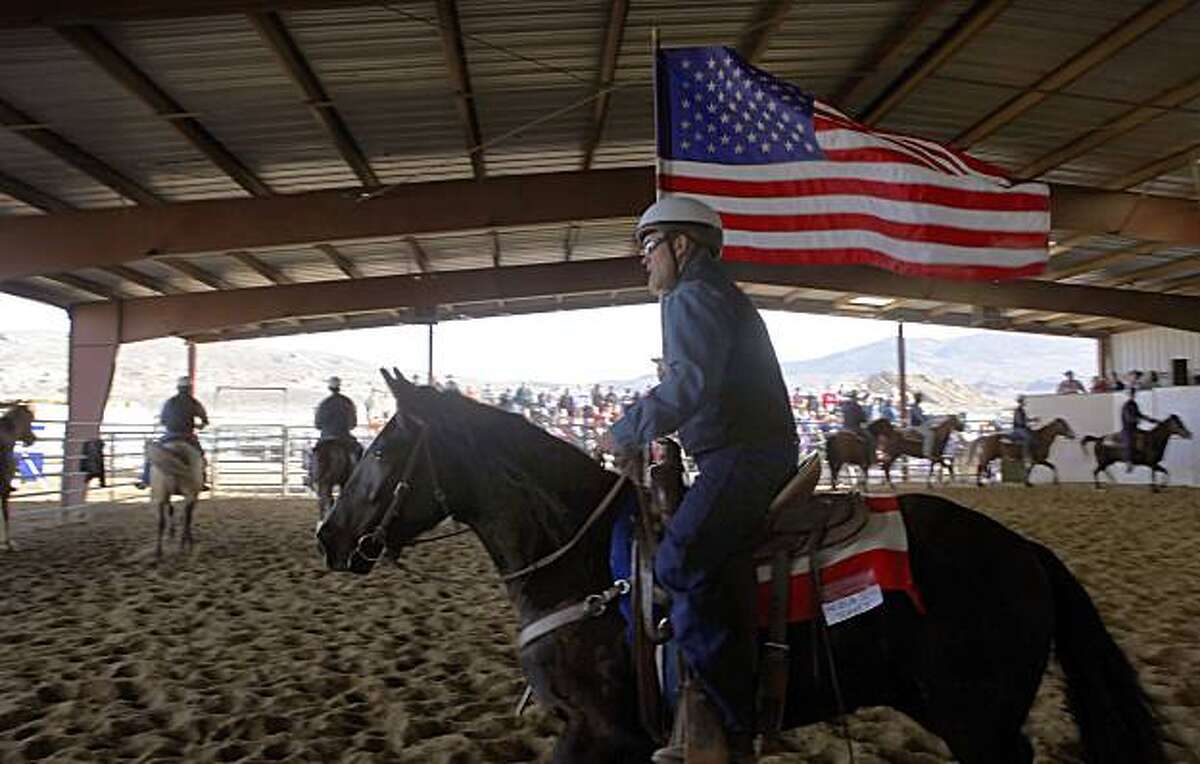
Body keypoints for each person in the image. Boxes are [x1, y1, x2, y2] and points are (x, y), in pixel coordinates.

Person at [598, 196, 796, 761]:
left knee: (678, 560)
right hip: (739, 450)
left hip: (744, 455)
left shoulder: (692, 295)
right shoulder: (708, 292)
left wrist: (624, 432)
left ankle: (727, 722)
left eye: (649, 245)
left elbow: (689, 385)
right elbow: (696, 384)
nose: (643, 258)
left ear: (681, 245)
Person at [137, 377, 209, 490]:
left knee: (152, 455)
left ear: (178, 388)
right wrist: (198, 425)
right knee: (200, 456)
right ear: (190, 388)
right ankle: (202, 481)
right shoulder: (194, 403)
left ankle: (145, 480)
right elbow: (204, 420)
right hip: (187, 436)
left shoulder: (169, 402)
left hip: (170, 436)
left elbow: (163, 421)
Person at [312, 376, 363, 469]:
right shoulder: (348, 402)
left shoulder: (324, 403)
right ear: (340, 386)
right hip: (345, 438)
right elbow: (353, 424)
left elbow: (317, 424)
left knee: (314, 458)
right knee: (359, 453)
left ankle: (313, 475)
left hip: (326, 438)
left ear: (329, 387)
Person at [1120, 387, 1158, 472]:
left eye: (1133, 393)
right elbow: (1128, 417)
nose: (1133, 395)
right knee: (1129, 441)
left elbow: (1140, 414)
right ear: (1129, 395)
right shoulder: (1126, 406)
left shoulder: (1134, 404)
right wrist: (1136, 420)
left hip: (1134, 428)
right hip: (1127, 429)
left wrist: (1150, 419)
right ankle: (1128, 461)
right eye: (1131, 393)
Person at [840, 390, 873, 465]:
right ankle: (870, 458)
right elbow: (862, 419)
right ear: (855, 398)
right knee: (870, 438)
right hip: (855, 428)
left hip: (844, 427)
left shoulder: (844, 406)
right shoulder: (857, 406)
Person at [1010, 394, 1037, 466]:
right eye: (1024, 401)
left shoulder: (1022, 410)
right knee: (1028, 438)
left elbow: (1025, 419)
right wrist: (1027, 424)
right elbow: (1020, 421)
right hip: (1019, 429)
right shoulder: (1018, 410)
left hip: (1022, 427)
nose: (1025, 403)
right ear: (1021, 402)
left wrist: (1033, 419)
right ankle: (1026, 456)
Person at [909, 391, 933, 458]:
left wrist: (930, 419)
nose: (921, 399)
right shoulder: (914, 407)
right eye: (920, 397)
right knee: (930, 435)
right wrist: (927, 422)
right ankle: (927, 453)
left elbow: (923, 416)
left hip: (919, 425)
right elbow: (920, 417)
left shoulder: (917, 407)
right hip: (916, 426)